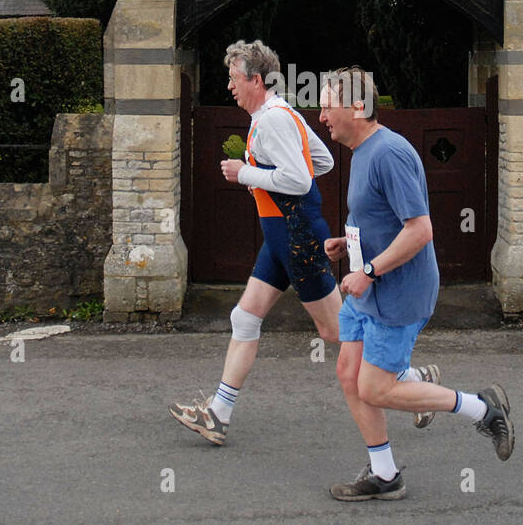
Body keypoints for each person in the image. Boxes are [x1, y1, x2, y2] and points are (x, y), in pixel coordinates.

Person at [169, 42, 440, 445]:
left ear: (256, 80)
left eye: (233, 78)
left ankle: (414, 382)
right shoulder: (279, 114)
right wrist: (266, 177)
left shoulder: (274, 120)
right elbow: (322, 162)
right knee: (245, 317)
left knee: (336, 331)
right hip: (280, 236)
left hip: (295, 237)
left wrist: (247, 174)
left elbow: (299, 180)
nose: (229, 87)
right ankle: (218, 413)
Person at [319, 66, 514, 501]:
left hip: (397, 294)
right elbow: (379, 217)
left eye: (327, 105)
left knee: (375, 388)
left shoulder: (389, 152)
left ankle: (483, 408)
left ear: (356, 106)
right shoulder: (363, 151)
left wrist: (368, 271)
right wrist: (348, 244)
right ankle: (385, 475)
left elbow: (419, 229)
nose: (321, 116)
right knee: (349, 373)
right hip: (365, 289)